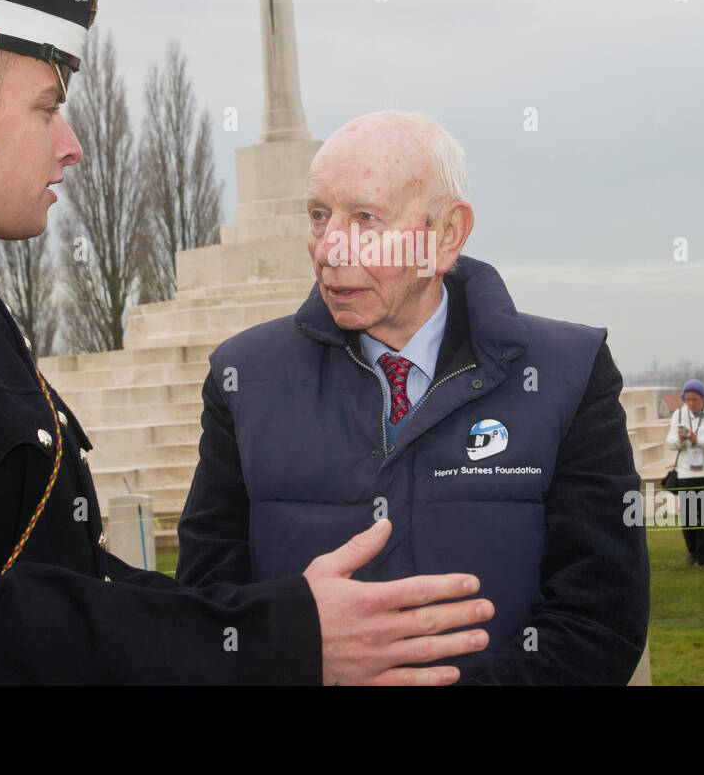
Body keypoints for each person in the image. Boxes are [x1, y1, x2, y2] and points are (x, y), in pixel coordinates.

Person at [0, 0, 495, 685]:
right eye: (46, 108)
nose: (71, 147)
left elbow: (75, 582)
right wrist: (287, 637)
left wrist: (282, 616)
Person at [175, 111, 650, 685]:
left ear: (447, 235)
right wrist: (292, 646)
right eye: (320, 216)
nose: (329, 248)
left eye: (365, 219)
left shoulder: (568, 372)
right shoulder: (242, 378)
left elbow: (600, 619)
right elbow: (206, 610)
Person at [664, 379, 704, 569]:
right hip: (687, 474)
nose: (691, 404)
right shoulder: (679, 415)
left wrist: (697, 439)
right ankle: (692, 549)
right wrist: (681, 440)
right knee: (689, 517)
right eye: (688, 400)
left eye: (695, 399)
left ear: (703, 398)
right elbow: (670, 442)